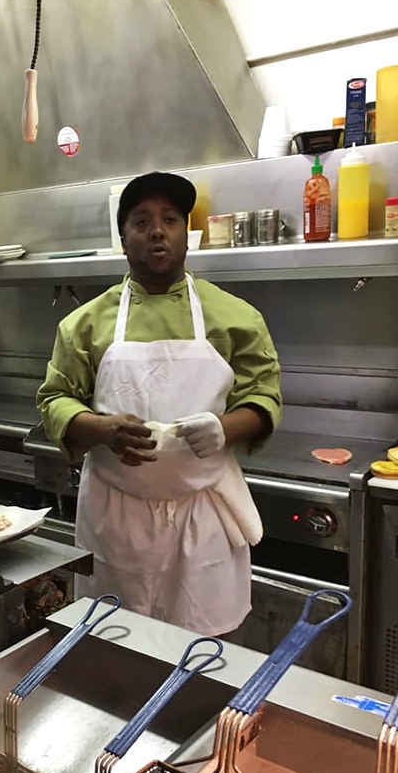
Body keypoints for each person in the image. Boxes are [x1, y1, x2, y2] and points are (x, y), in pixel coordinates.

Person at [37, 171, 282, 636]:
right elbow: (55, 400)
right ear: (124, 238)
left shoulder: (234, 317)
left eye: (170, 219)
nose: (157, 230)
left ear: (185, 234)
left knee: (204, 645)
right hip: (117, 513)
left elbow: (263, 396)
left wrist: (223, 428)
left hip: (202, 512)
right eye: (141, 221)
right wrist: (102, 429)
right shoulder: (84, 325)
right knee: (117, 640)